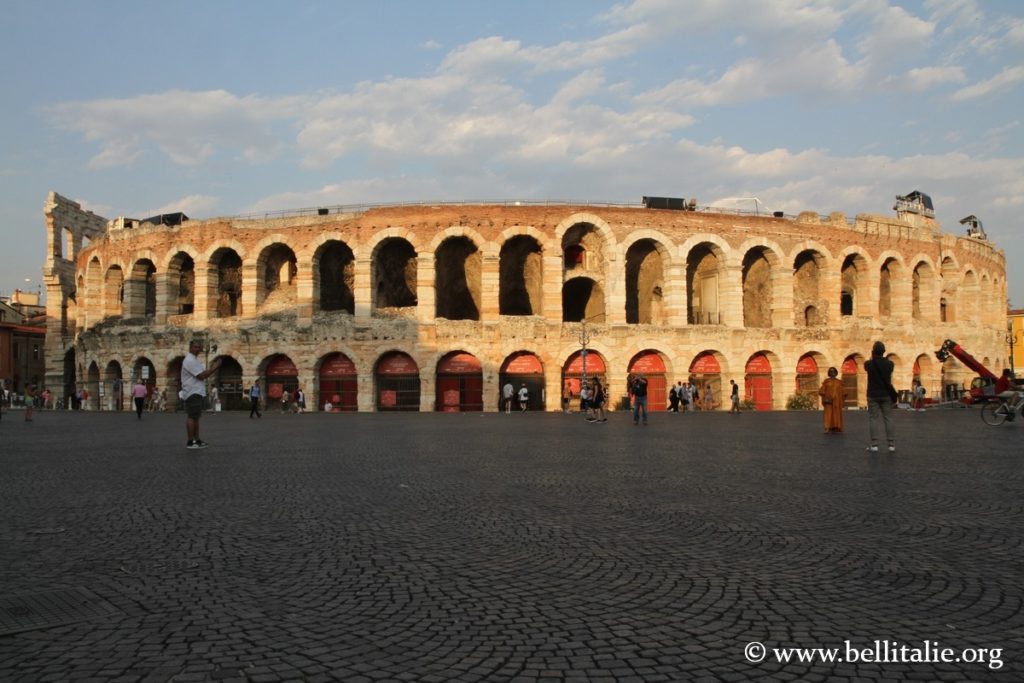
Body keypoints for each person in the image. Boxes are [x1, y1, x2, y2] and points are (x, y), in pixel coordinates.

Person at [181, 338, 221, 450]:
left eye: (199, 347)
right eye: (195, 347)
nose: (198, 349)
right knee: (191, 416)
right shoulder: (190, 360)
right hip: (192, 392)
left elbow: (202, 374)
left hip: (197, 391)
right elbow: (202, 376)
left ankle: (197, 440)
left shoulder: (195, 360)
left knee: (196, 417)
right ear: (190, 348)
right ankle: (190, 442)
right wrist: (215, 367)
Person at [864, 340, 896, 453]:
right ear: (884, 352)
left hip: (873, 394)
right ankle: (891, 444)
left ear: (873, 352)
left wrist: (872, 357)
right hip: (886, 394)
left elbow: (867, 365)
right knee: (888, 418)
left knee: (873, 419)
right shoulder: (890, 364)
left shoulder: (868, 364)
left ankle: (874, 444)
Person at [818, 367, 845, 433]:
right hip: (828, 401)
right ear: (829, 373)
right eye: (831, 372)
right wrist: (826, 397)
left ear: (836, 373)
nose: (832, 373)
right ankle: (828, 427)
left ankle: (837, 427)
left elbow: (844, 392)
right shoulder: (826, 382)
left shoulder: (839, 382)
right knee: (828, 414)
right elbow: (821, 391)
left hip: (837, 401)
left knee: (837, 414)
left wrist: (841, 398)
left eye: (833, 372)